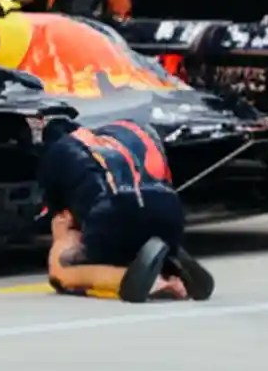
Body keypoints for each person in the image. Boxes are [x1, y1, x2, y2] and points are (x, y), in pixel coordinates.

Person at [37, 118, 214, 303]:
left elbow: (62, 218)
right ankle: (169, 263)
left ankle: (143, 280)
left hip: (114, 211)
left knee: (62, 266)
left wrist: (66, 240)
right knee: (136, 227)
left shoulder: (58, 151)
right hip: (169, 209)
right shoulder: (130, 129)